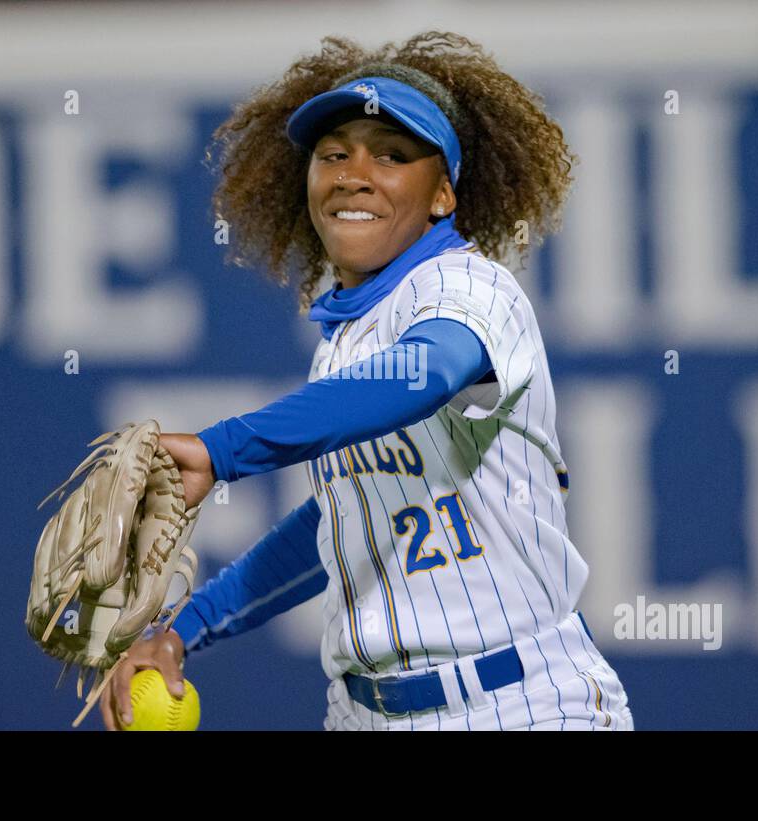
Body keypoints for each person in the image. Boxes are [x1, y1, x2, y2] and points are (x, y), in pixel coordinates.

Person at [100, 31, 634, 731]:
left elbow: (423, 374)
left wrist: (226, 447)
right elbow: (340, 525)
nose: (355, 172)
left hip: (519, 703)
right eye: (334, 153)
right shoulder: (345, 340)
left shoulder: (472, 286)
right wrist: (182, 628)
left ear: (442, 194)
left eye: (392, 154)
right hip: (362, 713)